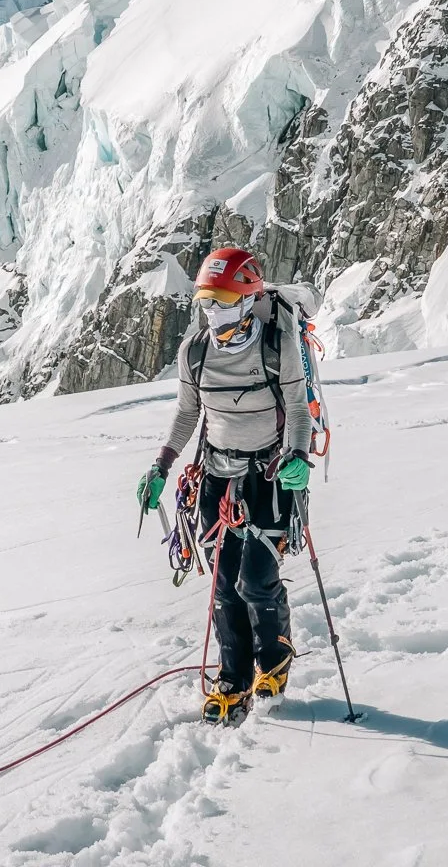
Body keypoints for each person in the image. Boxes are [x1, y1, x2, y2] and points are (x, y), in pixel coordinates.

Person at [135, 245, 313, 723]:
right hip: (217, 475)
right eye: (206, 301)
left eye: (222, 300)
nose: (212, 311)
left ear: (246, 299)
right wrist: (162, 464)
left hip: (270, 475)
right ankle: (233, 677)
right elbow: (188, 412)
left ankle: (273, 658)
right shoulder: (193, 353)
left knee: (255, 578)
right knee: (223, 585)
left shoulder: (277, 345)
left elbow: (298, 410)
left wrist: (298, 456)